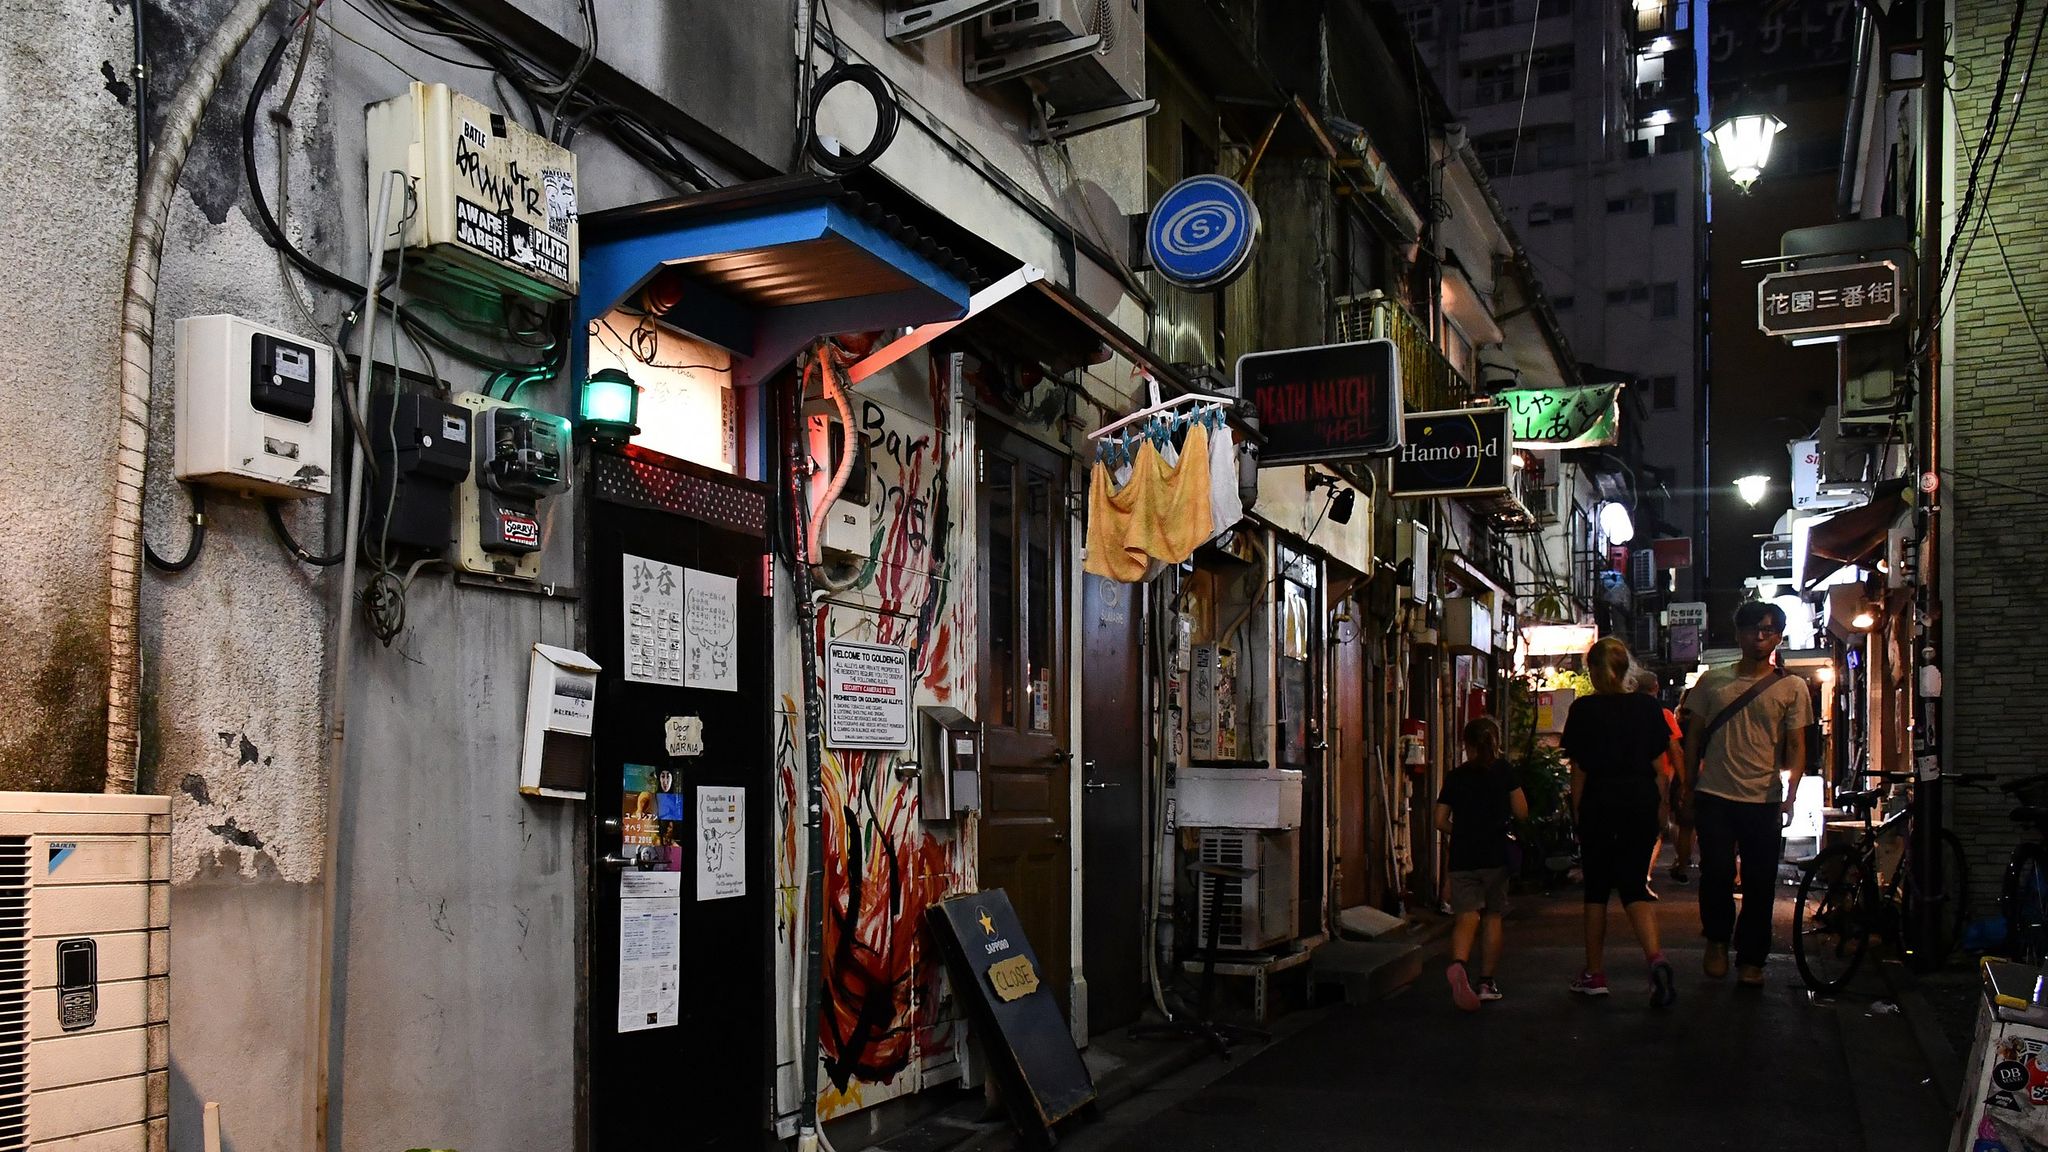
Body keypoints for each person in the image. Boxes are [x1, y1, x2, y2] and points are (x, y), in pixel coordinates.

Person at [1681, 600, 1812, 987]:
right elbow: (1692, 739)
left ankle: (1752, 957)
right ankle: (1718, 940)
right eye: (1753, 629)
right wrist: (1688, 786)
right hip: (1715, 794)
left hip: (1764, 797)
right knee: (1716, 873)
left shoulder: (1792, 687)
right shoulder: (1712, 682)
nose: (1760, 636)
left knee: (1759, 882)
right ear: (1737, 633)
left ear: (1779, 637)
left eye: (1769, 630)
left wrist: (1791, 794)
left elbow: (1797, 745)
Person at [1561, 637, 1682, 1006]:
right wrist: (1662, 807)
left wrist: (1578, 812)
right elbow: (1658, 768)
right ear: (1626, 669)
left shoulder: (1583, 710)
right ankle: (1656, 959)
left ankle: (1595, 974)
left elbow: (1579, 770)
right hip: (1640, 803)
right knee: (1633, 887)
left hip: (1600, 803)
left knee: (1596, 891)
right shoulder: (1648, 708)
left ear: (1594, 672)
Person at [1434, 717, 1528, 1011]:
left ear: (1467, 745)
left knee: (1466, 914)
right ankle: (1486, 982)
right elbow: (1522, 812)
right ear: (1496, 741)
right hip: (1495, 855)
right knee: (1492, 916)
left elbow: (1439, 820)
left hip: (1463, 856)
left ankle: (1459, 963)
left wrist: (1461, 831)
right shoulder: (1504, 772)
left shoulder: (1456, 776)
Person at [1634, 669, 1685, 891]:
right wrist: (1684, 781)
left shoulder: (1628, 711)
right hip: (1659, 777)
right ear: (1655, 688)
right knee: (1656, 829)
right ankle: (1643, 874)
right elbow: (1674, 748)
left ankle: (1634, 872)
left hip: (1632, 777)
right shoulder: (1662, 714)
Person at [1669, 698, 1698, 885]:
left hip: (1684, 778)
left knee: (1685, 826)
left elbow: (1676, 751)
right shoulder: (1707, 724)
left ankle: (1682, 866)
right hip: (1707, 777)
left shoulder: (1680, 726)